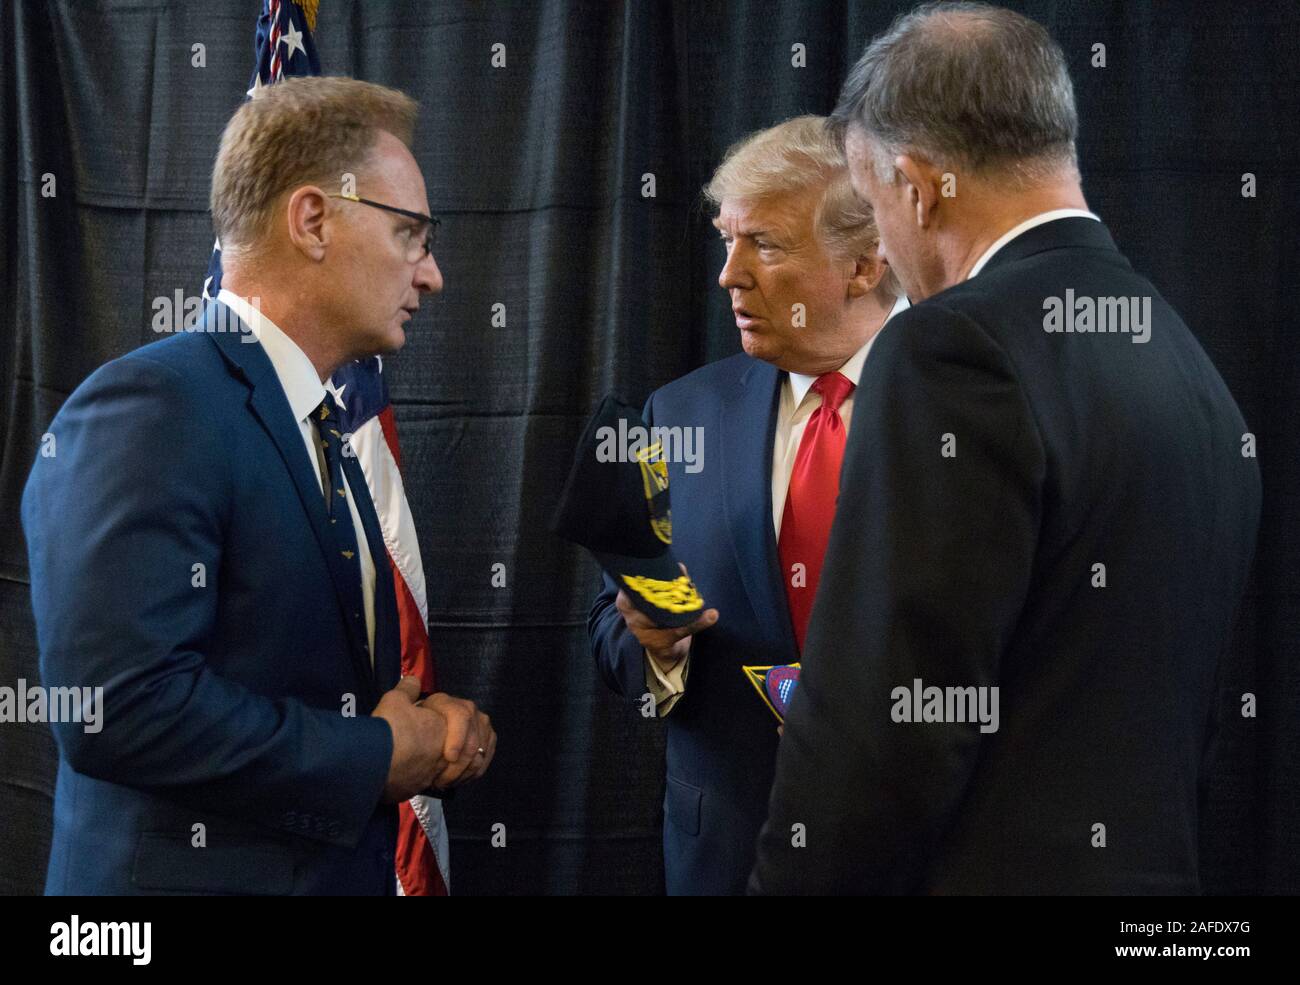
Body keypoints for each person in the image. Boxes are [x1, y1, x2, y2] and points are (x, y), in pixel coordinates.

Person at [750, 3, 1261, 894]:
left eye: (873, 206)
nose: (889, 248)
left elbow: (878, 737)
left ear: (918, 186)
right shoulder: (1185, 360)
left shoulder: (951, 348)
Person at [21, 76, 495, 895]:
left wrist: (425, 731)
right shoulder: (151, 406)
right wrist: (381, 754)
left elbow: (301, 678)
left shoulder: (319, 424)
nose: (432, 275)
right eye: (411, 234)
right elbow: (118, 709)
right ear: (313, 219)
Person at [589, 115, 905, 894]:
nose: (729, 274)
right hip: (728, 853)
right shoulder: (677, 416)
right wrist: (656, 646)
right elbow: (609, 636)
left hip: (922, 851)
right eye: (726, 241)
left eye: (762, 243)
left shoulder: (974, 403)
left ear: (863, 264)